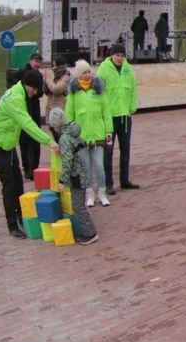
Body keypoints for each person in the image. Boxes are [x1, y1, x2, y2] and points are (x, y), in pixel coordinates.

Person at [0, 68, 60, 238]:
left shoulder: (20, 92)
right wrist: (49, 141)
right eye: (35, 90)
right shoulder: (15, 99)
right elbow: (27, 124)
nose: (35, 94)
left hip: (9, 145)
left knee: (18, 181)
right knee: (9, 184)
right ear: (29, 86)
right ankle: (12, 224)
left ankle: (22, 216)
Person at [64, 59, 112, 209]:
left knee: (99, 165)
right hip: (82, 137)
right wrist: (72, 134)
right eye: (84, 72)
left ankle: (102, 193)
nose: (87, 75)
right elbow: (69, 114)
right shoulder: (73, 93)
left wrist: (108, 130)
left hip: (98, 134)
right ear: (78, 74)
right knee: (85, 167)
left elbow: (106, 111)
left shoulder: (98, 90)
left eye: (88, 72)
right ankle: (90, 194)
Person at [47, 107, 99, 244]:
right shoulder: (72, 132)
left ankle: (90, 233)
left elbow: (67, 161)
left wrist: (62, 181)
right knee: (78, 204)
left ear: (55, 126)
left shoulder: (64, 138)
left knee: (77, 206)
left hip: (76, 175)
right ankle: (88, 231)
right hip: (83, 171)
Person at [99, 44, 140, 193]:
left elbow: (133, 90)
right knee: (108, 151)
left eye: (122, 56)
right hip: (109, 118)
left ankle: (124, 179)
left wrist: (131, 109)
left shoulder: (128, 69)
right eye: (117, 55)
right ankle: (108, 183)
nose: (120, 58)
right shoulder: (103, 69)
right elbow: (99, 91)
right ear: (112, 55)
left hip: (125, 117)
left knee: (125, 150)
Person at [19, 52, 47, 180]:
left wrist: (36, 93)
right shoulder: (22, 72)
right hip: (24, 108)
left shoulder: (39, 75)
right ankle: (27, 167)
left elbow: (40, 93)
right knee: (25, 139)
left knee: (35, 138)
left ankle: (34, 167)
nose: (38, 64)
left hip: (34, 108)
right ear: (31, 61)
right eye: (36, 61)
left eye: (40, 62)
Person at [44, 55, 73, 135]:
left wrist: (48, 79)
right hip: (52, 110)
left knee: (60, 136)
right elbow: (47, 91)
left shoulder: (66, 76)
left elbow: (56, 90)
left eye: (54, 65)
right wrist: (46, 80)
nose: (52, 68)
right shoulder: (55, 77)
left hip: (60, 112)